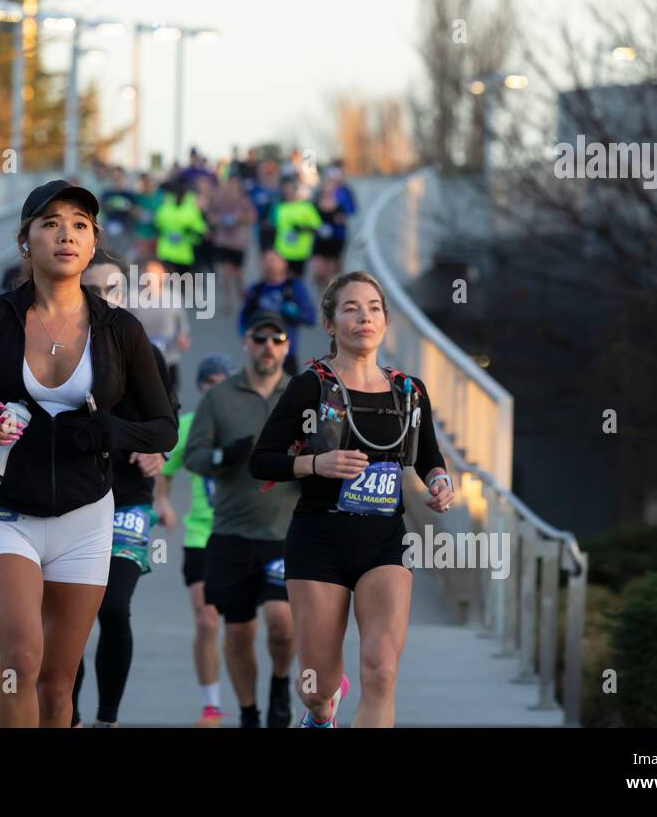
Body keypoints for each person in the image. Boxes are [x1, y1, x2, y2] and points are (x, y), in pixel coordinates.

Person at [0, 179, 178, 728]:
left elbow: (164, 428)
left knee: (57, 682)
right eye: (49, 223)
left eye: (78, 224)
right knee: (21, 660)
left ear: (92, 242)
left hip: (86, 517)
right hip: (4, 513)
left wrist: (109, 431)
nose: (65, 234)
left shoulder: (121, 329)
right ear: (25, 242)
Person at [248, 271, 454, 727]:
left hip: (385, 541)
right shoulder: (312, 386)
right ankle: (321, 714)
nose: (365, 317)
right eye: (351, 308)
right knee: (317, 688)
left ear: (385, 321)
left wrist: (439, 480)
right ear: (329, 323)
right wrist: (315, 465)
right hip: (319, 538)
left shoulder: (409, 390)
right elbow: (261, 461)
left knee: (382, 671)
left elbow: (429, 456)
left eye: (374, 308)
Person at [68, 258, 180, 727]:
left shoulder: (145, 351)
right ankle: (65, 715)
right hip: (68, 498)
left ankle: (107, 718)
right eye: (90, 289)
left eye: (110, 290)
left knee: (113, 606)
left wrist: (157, 453)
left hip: (128, 497)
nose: (100, 298)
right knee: (68, 618)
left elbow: (167, 423)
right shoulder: (54, 348)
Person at [182, 310, 300, 728]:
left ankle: (281, 684)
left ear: (286, 347)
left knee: (282, 624)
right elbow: (193, 456)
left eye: (277, 339)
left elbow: (333, 454)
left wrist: (319, 453)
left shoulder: (302, 396)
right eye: (260, 338)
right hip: (232, 532)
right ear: (246, 343)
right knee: (237, 634)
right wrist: (222, 456)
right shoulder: (220, 397)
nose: (268, 346)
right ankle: (249, 712)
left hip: (287, 532)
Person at [158, 353, 232, 727]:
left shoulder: (244, 421)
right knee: (206, 622)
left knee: (273, 624)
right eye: (210, 382)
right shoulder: (186, 426)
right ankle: (212, 705)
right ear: (202, 387)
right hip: (201, 535)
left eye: (223, 381)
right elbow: (164, 469)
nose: (216, 388)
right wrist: (162, 502)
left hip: (244, 535)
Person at [239, 249, 315, 376]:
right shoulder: (256, 289)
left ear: (284, 263)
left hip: (286, 354)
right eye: (266, 261)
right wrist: (245, 336)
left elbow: (311, 318)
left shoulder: (294, 287)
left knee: (290, 392)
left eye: (274, 260)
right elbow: (243, 317)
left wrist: (295, 313)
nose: (270, 265)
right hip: (260, 354)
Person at [131, 257, 191, 391]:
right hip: (142, 358)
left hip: (169, 357)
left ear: (162, 276)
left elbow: (182, 324)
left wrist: (183, 336)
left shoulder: (174, 297)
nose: (149, 276)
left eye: (153, 273)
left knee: (171, 395)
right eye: (146, 272)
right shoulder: (131, 298)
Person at [209, 169, 258, 316]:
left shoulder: (244, 200)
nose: (231, 187)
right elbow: (211, 216)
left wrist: (239, 218)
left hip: (238, 242)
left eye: (234, 184)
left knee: (238, 275)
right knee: (224, 273)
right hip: (223, 241)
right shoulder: (219, 198)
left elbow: (252, 217)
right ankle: (227, 302)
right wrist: (219, 219)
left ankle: (243, 301)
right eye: (229, 184)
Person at [310, 166, 356, 290]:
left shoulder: (343, 197)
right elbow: (309, 215)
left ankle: (329, 299)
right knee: (319, 272)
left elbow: (352, 210)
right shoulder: (315, 199)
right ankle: (322, 291)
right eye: (328, 182)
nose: (329, 186)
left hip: (336, 239)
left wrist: (342, 216)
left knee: (332, 274)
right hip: (319, 240)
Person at [153, 176, 208, 276]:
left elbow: (201, 232)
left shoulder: (188, 209)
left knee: (177, 286)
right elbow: (201, 231)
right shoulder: (167, 209)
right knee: (171, 286)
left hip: (181, 255)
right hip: (170, 254)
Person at [271, 177, 323, 278]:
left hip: (300, 253)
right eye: (285, 188)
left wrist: (302, 228)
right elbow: (274, 229)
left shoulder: (306, 207)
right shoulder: (279, 207)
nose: (287, 191)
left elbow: (317, 228)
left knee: (296, 283)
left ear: (295, 189)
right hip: (282, 252)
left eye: (289, 188)